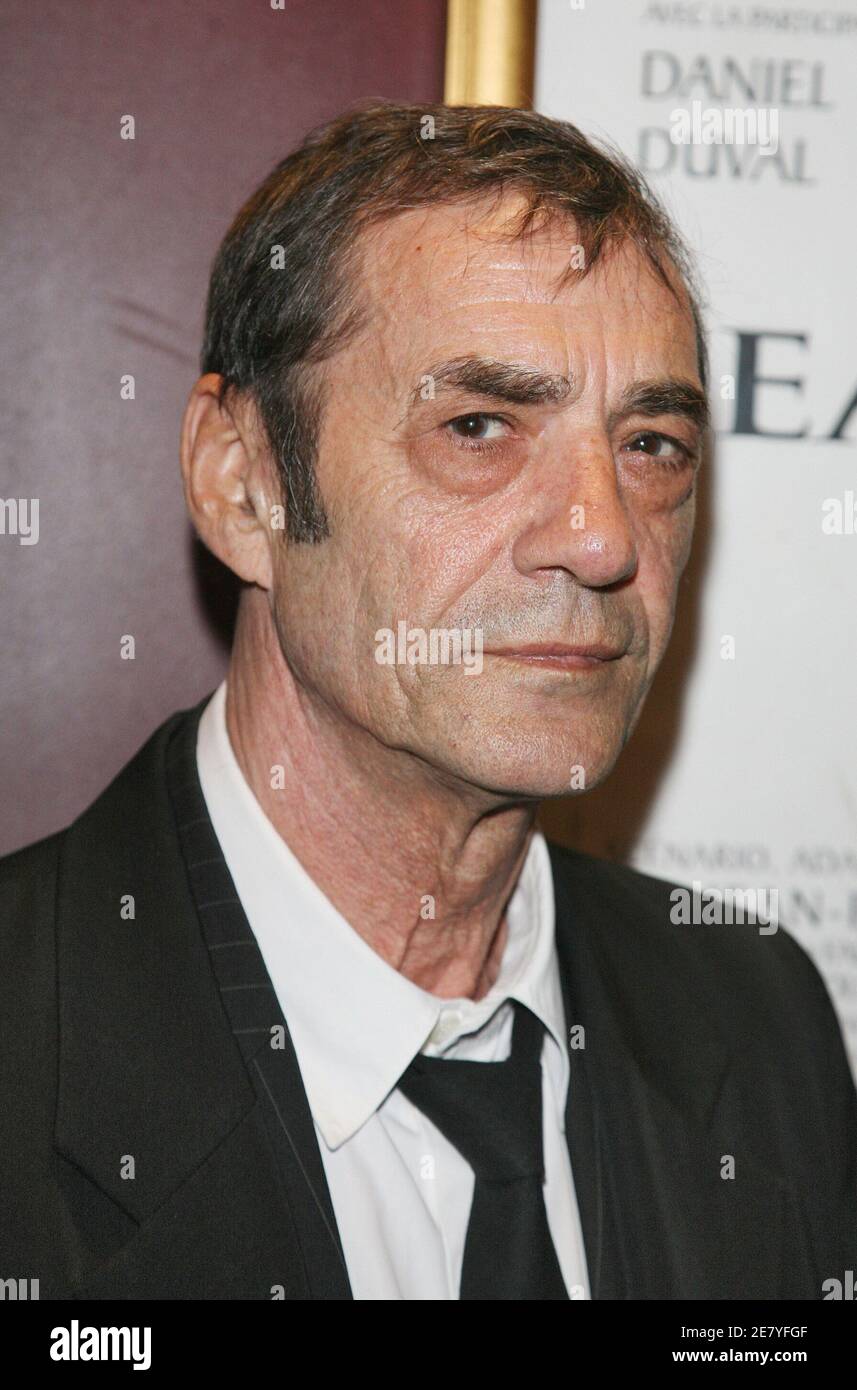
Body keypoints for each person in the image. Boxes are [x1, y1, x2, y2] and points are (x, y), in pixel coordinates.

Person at [1, 102, 854, 1300]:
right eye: (478, 427)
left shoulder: (754, 1021)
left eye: (650, 443)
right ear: (242, 485)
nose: (603, 537)